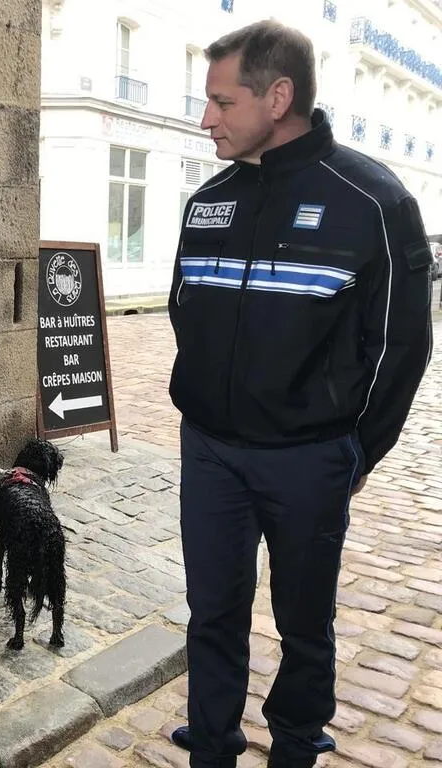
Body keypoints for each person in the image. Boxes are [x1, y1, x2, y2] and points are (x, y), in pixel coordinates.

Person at [167, 20, 433, 768]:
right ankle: (212, 745)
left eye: (221, 100)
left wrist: (349, 455)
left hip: (308, 461)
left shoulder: (373, 202)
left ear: (277, 97)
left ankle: (294, 744)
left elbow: (401, 349)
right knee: (212, 614)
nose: (206, 117)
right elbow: (185, 308)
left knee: (304, 622)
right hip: (211, 456)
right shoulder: (207, 201)